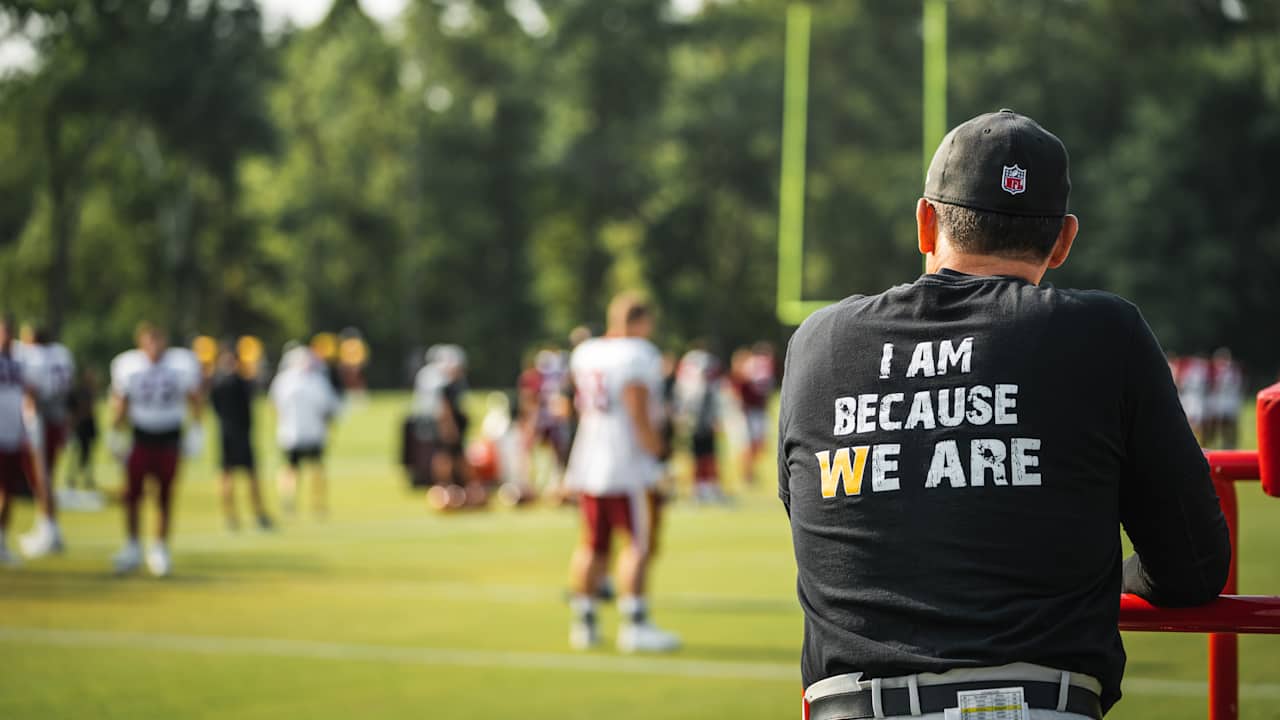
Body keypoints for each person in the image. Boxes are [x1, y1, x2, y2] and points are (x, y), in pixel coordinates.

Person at [779, 110, 1230, 719]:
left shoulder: (818, 341)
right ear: (1065, 239)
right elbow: (1193, 567)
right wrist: (1103, 583)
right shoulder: (1102, 333)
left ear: (925, 222)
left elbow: (813, 516)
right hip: (1035, 704)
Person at [564, 293, 679, 653]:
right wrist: (658, 453)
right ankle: (636, 624)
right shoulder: (637, 354)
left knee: (592, 544)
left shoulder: (586, 351)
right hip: (627, 464)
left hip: (589, 458)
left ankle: (584, 622)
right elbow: (636, 406)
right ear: (642, 321)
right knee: (637, 544)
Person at [110, 323, 204, 576]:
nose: (154, 346)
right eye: (149, 340)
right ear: (140, 342)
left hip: (170, 436)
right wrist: (116, 432)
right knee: (132, 495)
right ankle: (132, 546)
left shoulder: (181, 363)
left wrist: (196, 430)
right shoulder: (127, 365)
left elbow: (195, 397)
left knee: (165, 495)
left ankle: (160, 547)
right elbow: (121, 401)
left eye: (158, 339)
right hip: (141, 436)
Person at [15, 327, 73, 557]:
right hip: (58, 417)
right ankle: (49, 527)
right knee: (46, 476)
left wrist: (29, 419)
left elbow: (32, 391)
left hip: (40, 418)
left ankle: (48, 530)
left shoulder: (32, 356)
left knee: (41, 478)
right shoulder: (61, 353)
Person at [270, 347, 340, 517]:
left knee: (295, 468)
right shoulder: (316, 381)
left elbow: (274, 406)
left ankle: (296, 501)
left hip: (292, 433)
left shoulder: (284, 381)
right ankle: (316, 504)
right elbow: (329, 409)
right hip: (309, 433)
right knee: (310, 469)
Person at [209, 344, 273, 531]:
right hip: (241, 434)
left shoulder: (217, 382)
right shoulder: (240, 381)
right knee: (245, 476)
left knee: (230, 475)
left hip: (226, 433)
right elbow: (257, 390)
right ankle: (256, 514)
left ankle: (232, 516)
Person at [0, 316, 45, 567]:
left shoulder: (22, 358)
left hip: (13, 432)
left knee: (8, 490)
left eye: (8, 332)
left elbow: (31, 392)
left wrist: (30, 422)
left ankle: (1, 539)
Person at [675, 345, 724, 503]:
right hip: (699, 420)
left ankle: (705, 487)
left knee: (705, 455)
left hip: (694, 419)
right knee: (703, 456)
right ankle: (703, 488)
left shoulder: (689, 370)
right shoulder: (702, 376)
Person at [64, 367, 100, 492]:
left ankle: (87, 478)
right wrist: (72, 424)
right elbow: (72, 409)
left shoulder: (90, 391)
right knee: (75, 453)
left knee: (88, 454)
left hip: (88, 426)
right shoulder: (78, 391)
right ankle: (71, 478)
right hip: (79, 426)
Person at [1206, 347, 1244, 449]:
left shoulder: (1232, 371)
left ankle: (1229, 446)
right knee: (1215, 428)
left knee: (1229, 428)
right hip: (1218, 402)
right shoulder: (1215, 371)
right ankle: (1216, 445)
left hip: (1228, 402)